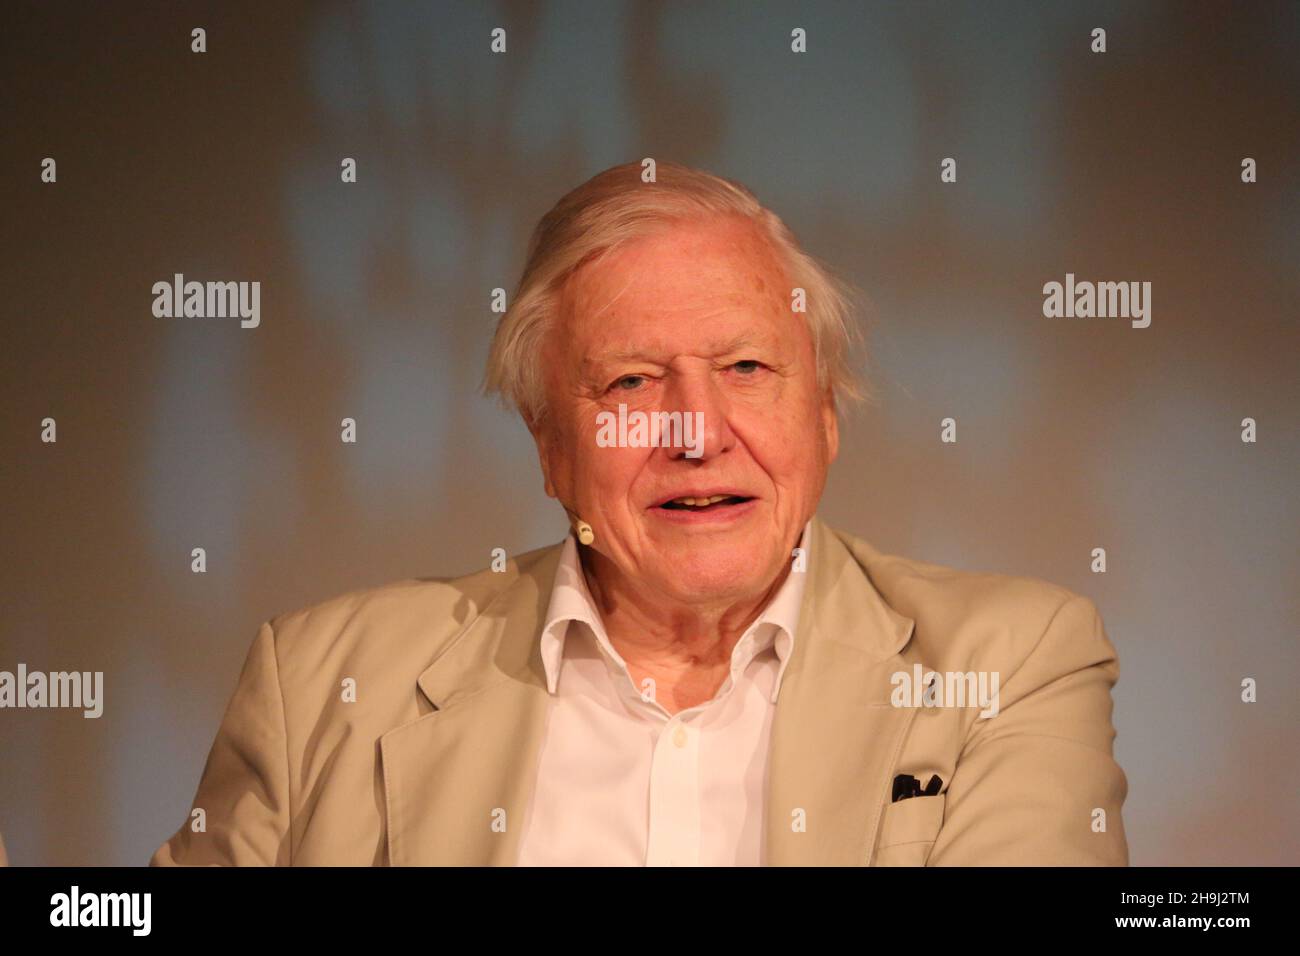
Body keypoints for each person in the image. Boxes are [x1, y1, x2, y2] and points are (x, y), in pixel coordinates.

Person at [151, 160, 1128, 866]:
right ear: (548, 445)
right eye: (629, 380)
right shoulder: (321, 683)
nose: (697, 431)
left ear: (824, 411)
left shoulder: (1008, 661)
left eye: (746, 367)